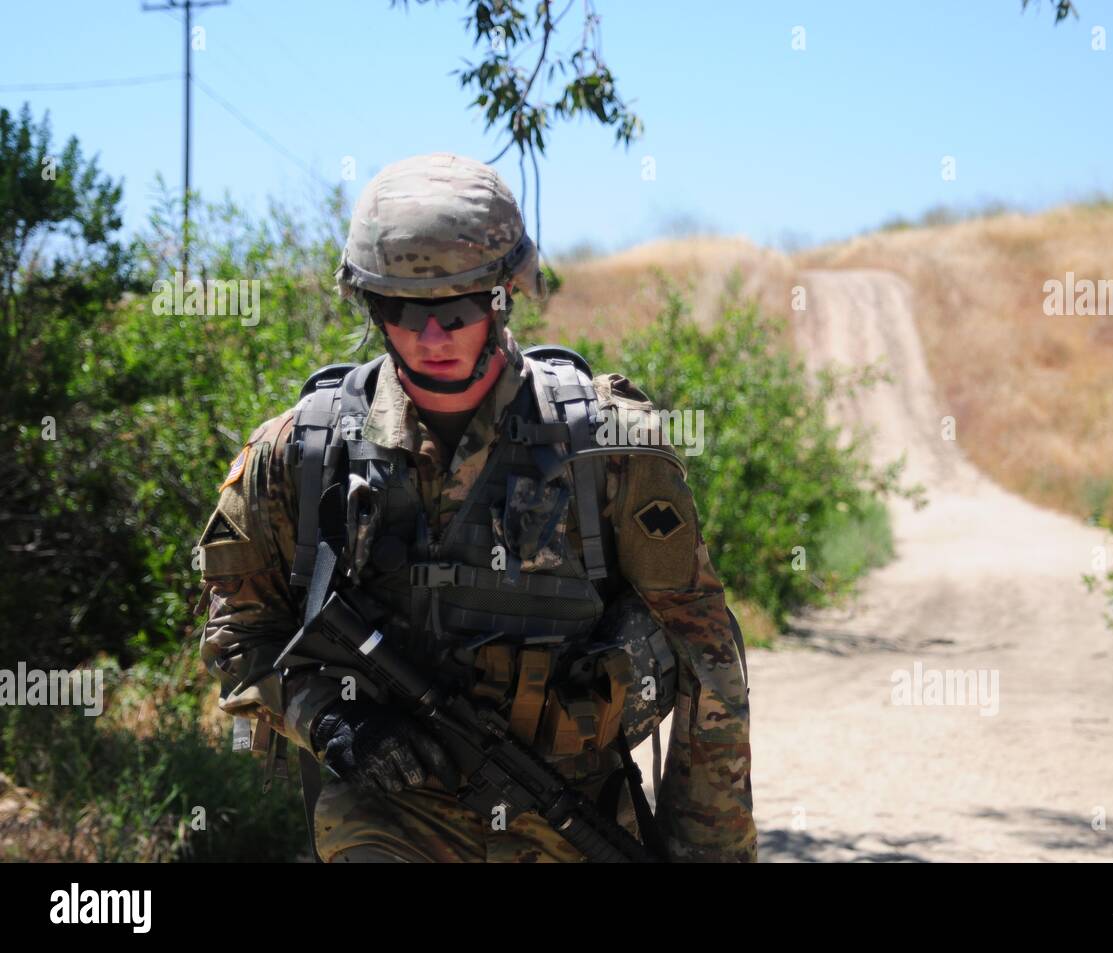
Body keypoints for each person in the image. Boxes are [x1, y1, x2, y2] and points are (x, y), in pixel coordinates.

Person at [196, 152, 756, 862]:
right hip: (388, 818)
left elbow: (707, 656)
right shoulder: (303, 454)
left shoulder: (610, 447)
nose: (433, 338)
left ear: (504, 292)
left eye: (458, 309)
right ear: (371, 305)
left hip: (571, 810)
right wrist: (331, 717)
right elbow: (239, 637)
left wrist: (708, 852)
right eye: (403, 309)